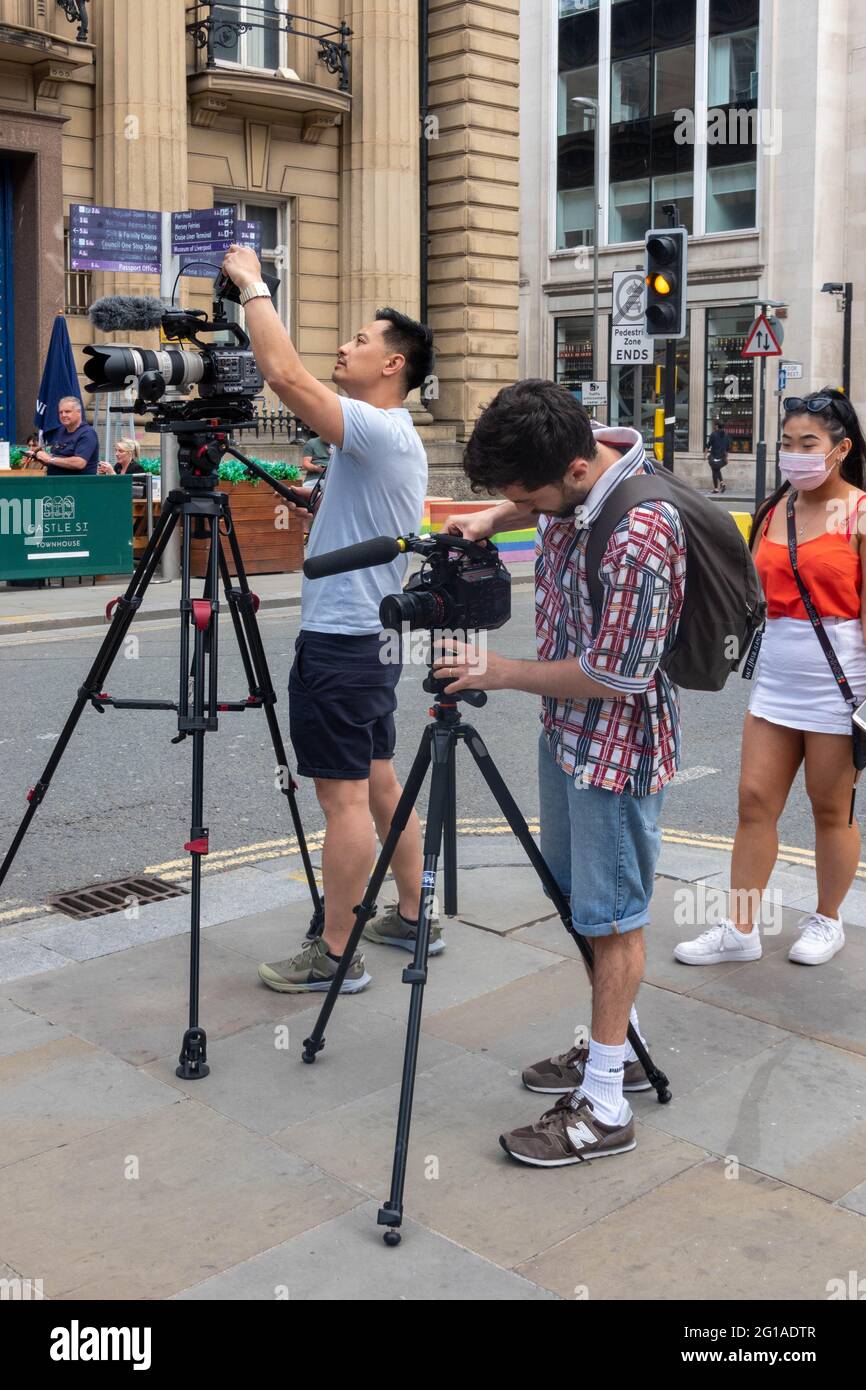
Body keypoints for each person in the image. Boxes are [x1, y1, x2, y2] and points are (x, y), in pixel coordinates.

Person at [439, 379, 686, 1168]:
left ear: (576, 471)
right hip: (566, 733)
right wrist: (489, 514)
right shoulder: (579, 459)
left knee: (613, 918)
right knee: (581, 903)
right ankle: (621, 1048)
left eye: (529, 499)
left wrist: (503, 672)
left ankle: (607, 1106)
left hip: (616, 748)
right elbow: (542, 497)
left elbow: (620, 675)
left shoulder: (643, 531)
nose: (525, 509)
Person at [220, 241, 436, 995]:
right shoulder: (386, 440)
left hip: (342, 640)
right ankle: (413, 916)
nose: (345, 346)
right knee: (379, 781)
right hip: (368, 638)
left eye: (362, 340)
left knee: (341, 797)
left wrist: (253, 285)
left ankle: (334, 953)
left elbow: (283, 375)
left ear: (393, 366)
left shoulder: (375, 428)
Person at [676, 388, 866, 969]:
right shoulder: (774, 508)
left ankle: (827, 919)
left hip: (842, 683)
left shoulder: (860, 512)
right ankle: (740, 927)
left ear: (840, 450)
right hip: (777, 680)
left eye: (809, 443)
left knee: (830, 808)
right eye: (787, 442)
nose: (795, 454)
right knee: (754, 800)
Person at [23, 397, 99, 476]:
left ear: (79, 412)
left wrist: (50, 459)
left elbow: (79, 463)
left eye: (67, 411)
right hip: (56, 484)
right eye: (60, 412)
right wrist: (40, 457)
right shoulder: (60, 431)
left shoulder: (87, 433)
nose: (63, 415)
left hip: (77, 486)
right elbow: (56, 459)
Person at [705, 418, 732, 494]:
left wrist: (704, 455)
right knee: (716, 470)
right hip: (722, 458)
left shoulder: (713, 434)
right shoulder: (726, 436)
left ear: (717, 426)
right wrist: (726, 458)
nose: (714, 427)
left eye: (715, 425)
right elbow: (727, 448)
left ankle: (717, 488)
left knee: (715, 470)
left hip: (714, 457)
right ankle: (720, 484)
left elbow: (708, 445)